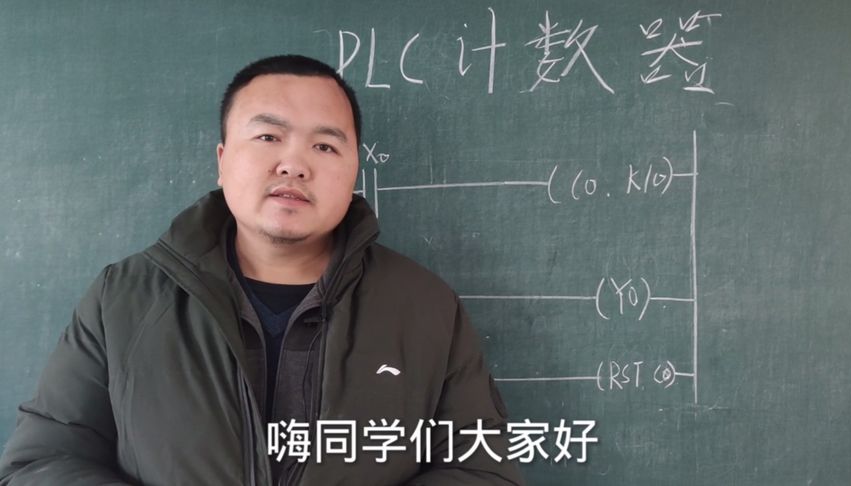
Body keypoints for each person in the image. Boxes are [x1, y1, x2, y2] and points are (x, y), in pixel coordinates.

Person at [0, 55, 524, 485]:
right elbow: (43, 461)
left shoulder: (425, 306)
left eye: (324, 145)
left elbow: (482, 469)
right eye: (269, 137)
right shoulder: (124, 298)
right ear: (222, 159)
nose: (294, 164)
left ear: (353, 171)